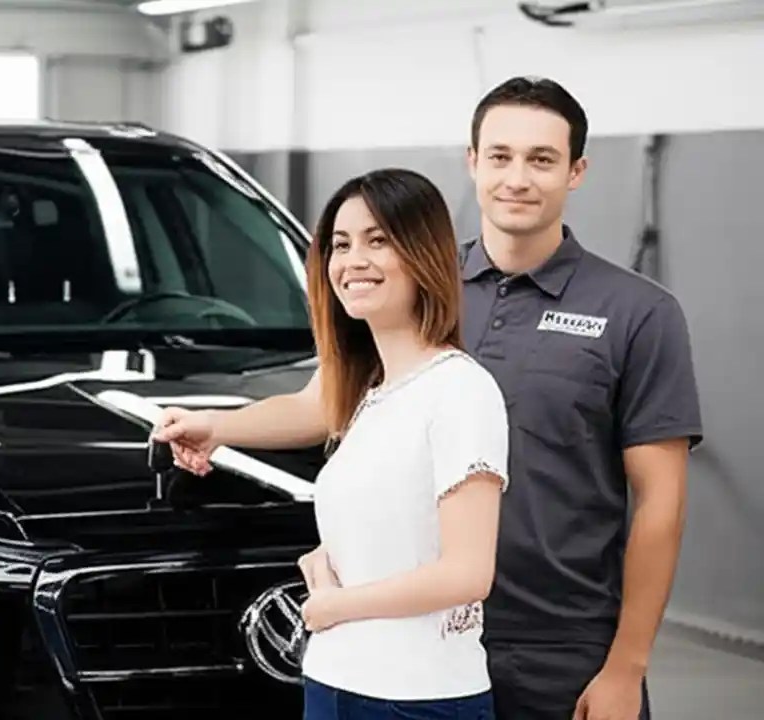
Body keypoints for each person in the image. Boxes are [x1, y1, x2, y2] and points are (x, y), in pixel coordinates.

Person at [152, 168, 510, 719]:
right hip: (334, 681)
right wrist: (216, 427)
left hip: (417, 698)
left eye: (377, 241)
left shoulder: (460, 390)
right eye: (341, 245)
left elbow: (467, 574)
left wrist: (335, 606)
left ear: (423, 254)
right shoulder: (371, 387)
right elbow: (309, 408)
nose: (352, 261)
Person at [461, 76, 702, 720]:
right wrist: (224, 426)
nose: (517, 178)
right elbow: (334, 406)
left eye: (542, 159)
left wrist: (626, 666)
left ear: (576, 172)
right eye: (500, 156)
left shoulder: (639, 312)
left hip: (564, 648)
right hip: (423, 632)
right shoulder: (421, 293)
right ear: (473, 162)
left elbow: (661, 501)